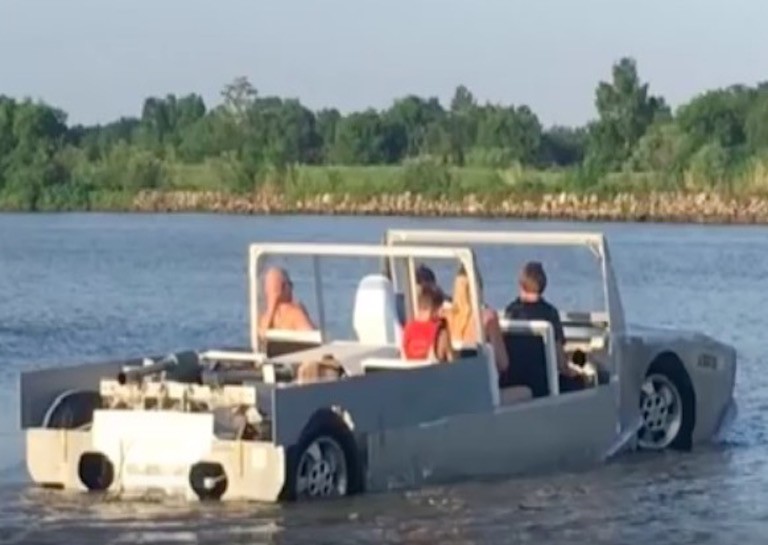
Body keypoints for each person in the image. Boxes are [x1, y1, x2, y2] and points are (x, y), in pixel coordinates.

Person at [504, 261, 587, 382]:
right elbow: (560, 362)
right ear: (544, 285)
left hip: (514, 379)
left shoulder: (511, 312)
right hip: (542, 382)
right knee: (581, 382)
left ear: (521, 284)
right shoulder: (549, 313)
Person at [444, 266, 509, 377]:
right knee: (527, 390)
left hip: (454, 383)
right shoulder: (488, 318)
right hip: (483, 386)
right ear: (478, 289)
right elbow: (503, 363)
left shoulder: (446, 316)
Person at [401, 285, 454, 362]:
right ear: (437, 309)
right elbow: (449, 357)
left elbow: (403, 352)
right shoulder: (440, 329)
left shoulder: (408, 327)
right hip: (434, 371)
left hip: (410, 370)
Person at [258, 267, 316, 334]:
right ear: (282, 287)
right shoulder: (295, 314)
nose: (292, 289)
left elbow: (262, 336)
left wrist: (273, 299)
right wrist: (304, 314)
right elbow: (313, 337)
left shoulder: (262, 319)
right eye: (290, 284)